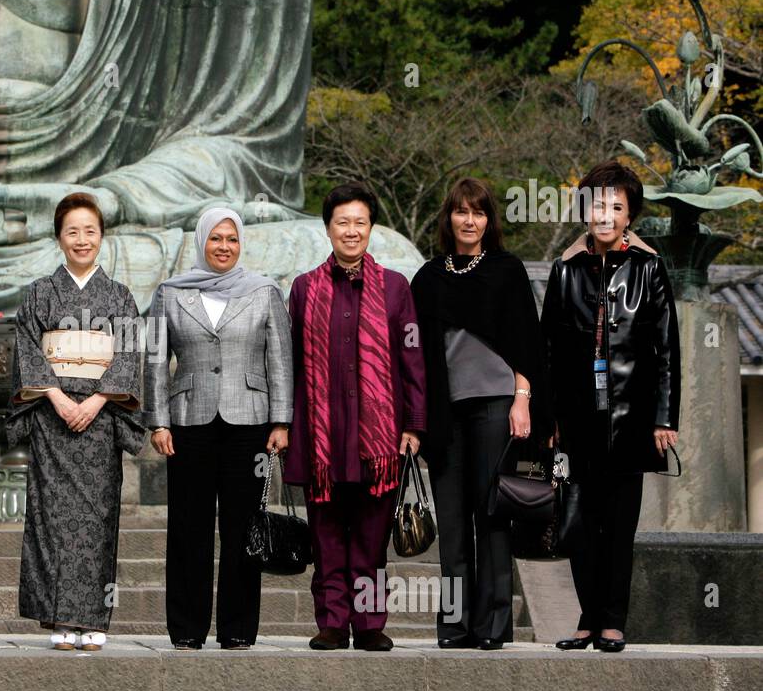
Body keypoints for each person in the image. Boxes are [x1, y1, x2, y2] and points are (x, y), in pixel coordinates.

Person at [542, 160, 680, 653]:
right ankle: (587, 615)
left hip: (631, 417)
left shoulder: (649, 268)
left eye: (617, 206)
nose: (606, 213)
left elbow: (666, 347)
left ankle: (613, 620)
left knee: (620, 523)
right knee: (577, 519)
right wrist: (550, 419)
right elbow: (549, 351)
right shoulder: (565, 270)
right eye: (598, 204)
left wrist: (665, 416)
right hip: (576, 419)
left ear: (628, 217)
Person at [144, 207, 293, 650]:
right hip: (189, 421)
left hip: (250, 422)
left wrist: (281, 420)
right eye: (215, 239)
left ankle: (238, 628)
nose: (224, 246)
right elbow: (154, 361)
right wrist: (157, 420)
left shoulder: (264, 291)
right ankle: (186, 628)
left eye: (231, 238)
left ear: (240, 242)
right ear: (201, 242)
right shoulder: (169, 293)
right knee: (188, 527)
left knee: (243, 527)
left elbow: (279, 359)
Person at [286, 183, 426, 652]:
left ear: (372, 229)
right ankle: (331, 621)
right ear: (327, 229)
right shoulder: (304, 289)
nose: (351, 230)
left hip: (379, 438)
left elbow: (412, 361)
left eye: (360, 222)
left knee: (370, 536)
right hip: (322, 436)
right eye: (342, 222)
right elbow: (291, 364)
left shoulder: (395, 289)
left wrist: (412, 425)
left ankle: (368, 623)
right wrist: (285, 427)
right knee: (326, 535)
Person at [410, 178, 548, 651]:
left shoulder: (507, 271)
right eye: (461, 211)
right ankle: (454, 626)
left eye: (479, 212)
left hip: (496, 407)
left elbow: (530, 341)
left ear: (490, 220)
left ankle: (493, 626)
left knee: (492, 517)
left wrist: (523, 397)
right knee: (452, 525)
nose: (470, 220)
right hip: (444, 413)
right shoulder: (427, 278)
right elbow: (416, 356)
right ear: (448, 218)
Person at [8, 193, 146, 652]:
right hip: (52, 417)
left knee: (98, 516)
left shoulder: (120, 297)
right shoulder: (40, 294)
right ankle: (59, 619)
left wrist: (98, 400)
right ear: (59, 238)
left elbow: (128, 354)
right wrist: (56, 397)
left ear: (101, 237)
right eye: (72, 231)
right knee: (50, 515)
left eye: (90, 231)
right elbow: (28, 348)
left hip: (101, 419)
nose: (81, 240)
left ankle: (93, 618)